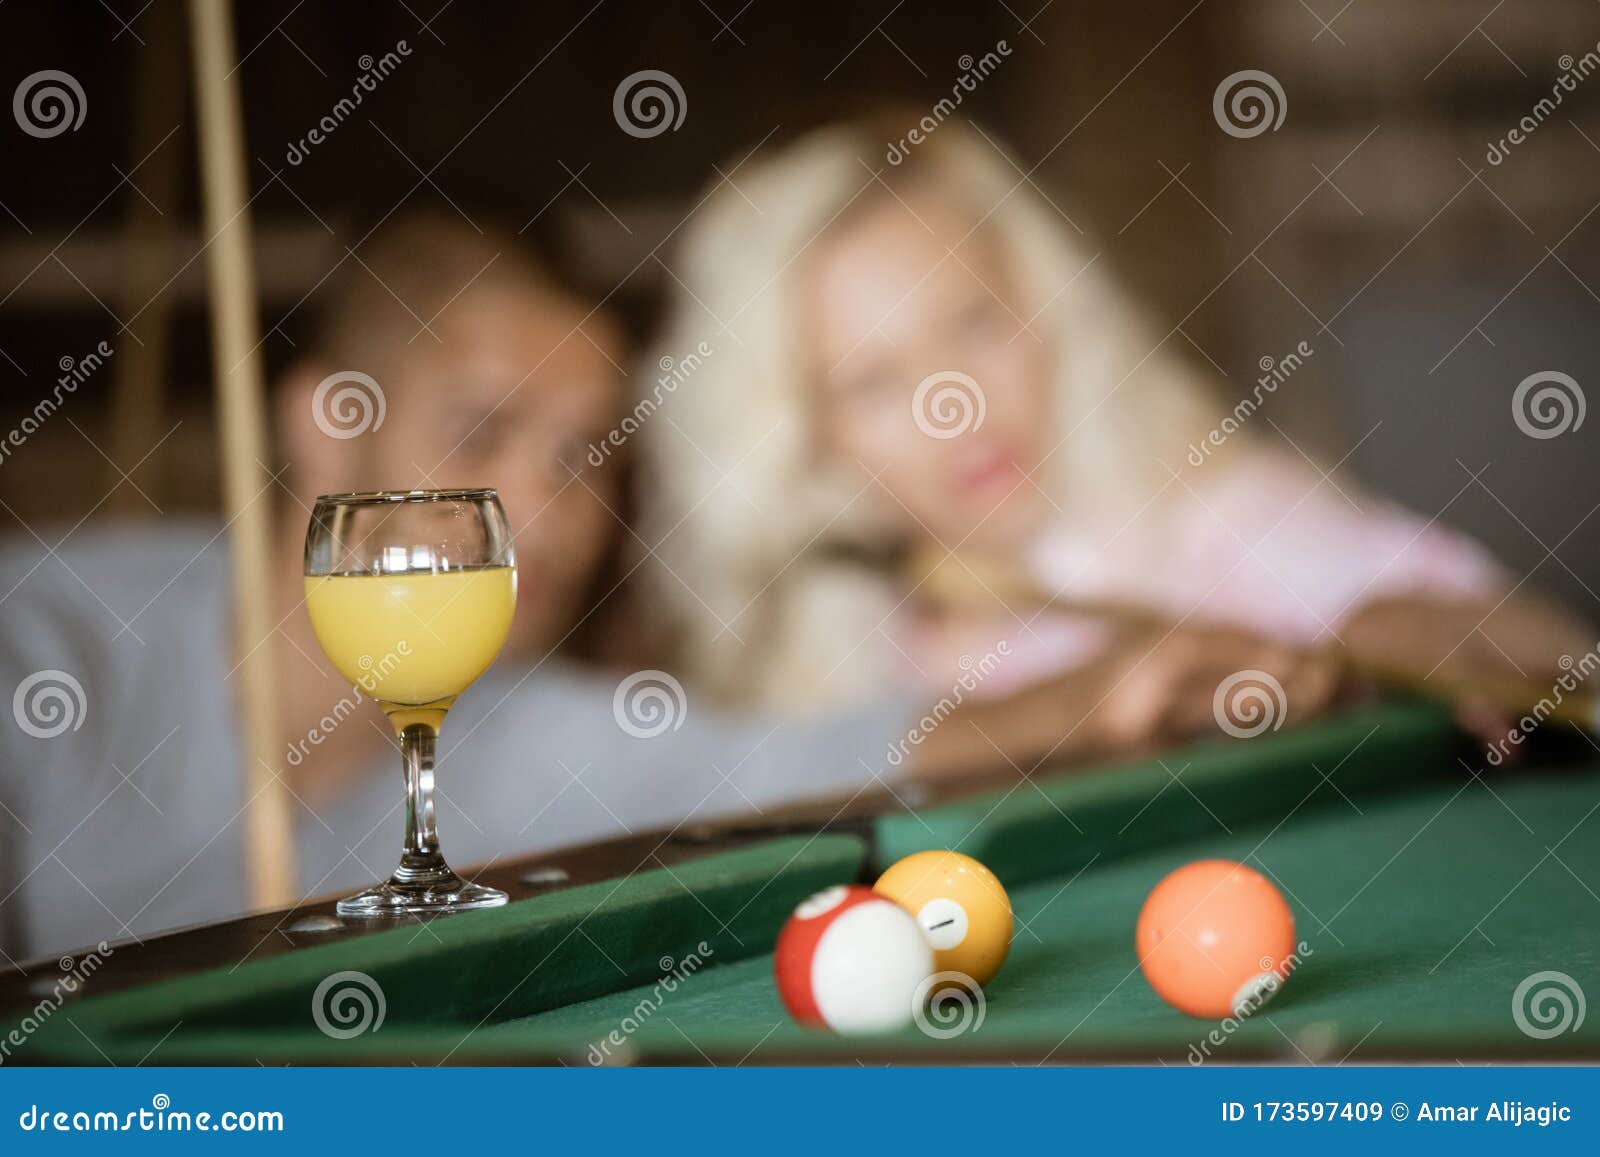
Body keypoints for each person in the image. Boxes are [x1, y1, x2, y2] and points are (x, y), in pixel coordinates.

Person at [0, 212, 1330, 963]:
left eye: (585, 459)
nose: (549, 516)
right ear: (325, 429)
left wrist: (1110, 687)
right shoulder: (44, 637)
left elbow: (813, 759)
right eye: (480, 439)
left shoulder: (535, 732)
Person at [636, 115, 1591, 730]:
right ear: (806, 439)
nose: (953, 405)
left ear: (1051, 318)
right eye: (872, 383)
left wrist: (1402, 620)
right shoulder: (817, 650)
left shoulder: (1210, 510)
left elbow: (1546, 647)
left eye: (977, 323)